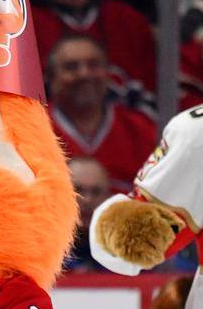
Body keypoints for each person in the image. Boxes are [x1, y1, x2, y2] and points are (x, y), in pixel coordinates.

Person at [47, 35, 157, 195]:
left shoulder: (141, 130)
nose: (84, 74)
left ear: (108, 73)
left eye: (93, 65)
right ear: (51, 78)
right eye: (71, 67)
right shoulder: (31, 129)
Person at [65, 156, 109, 270]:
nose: (87, 199)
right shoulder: (41, 247)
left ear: (107, 197)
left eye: (96, 191)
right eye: (78, 189)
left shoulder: (122, 252)